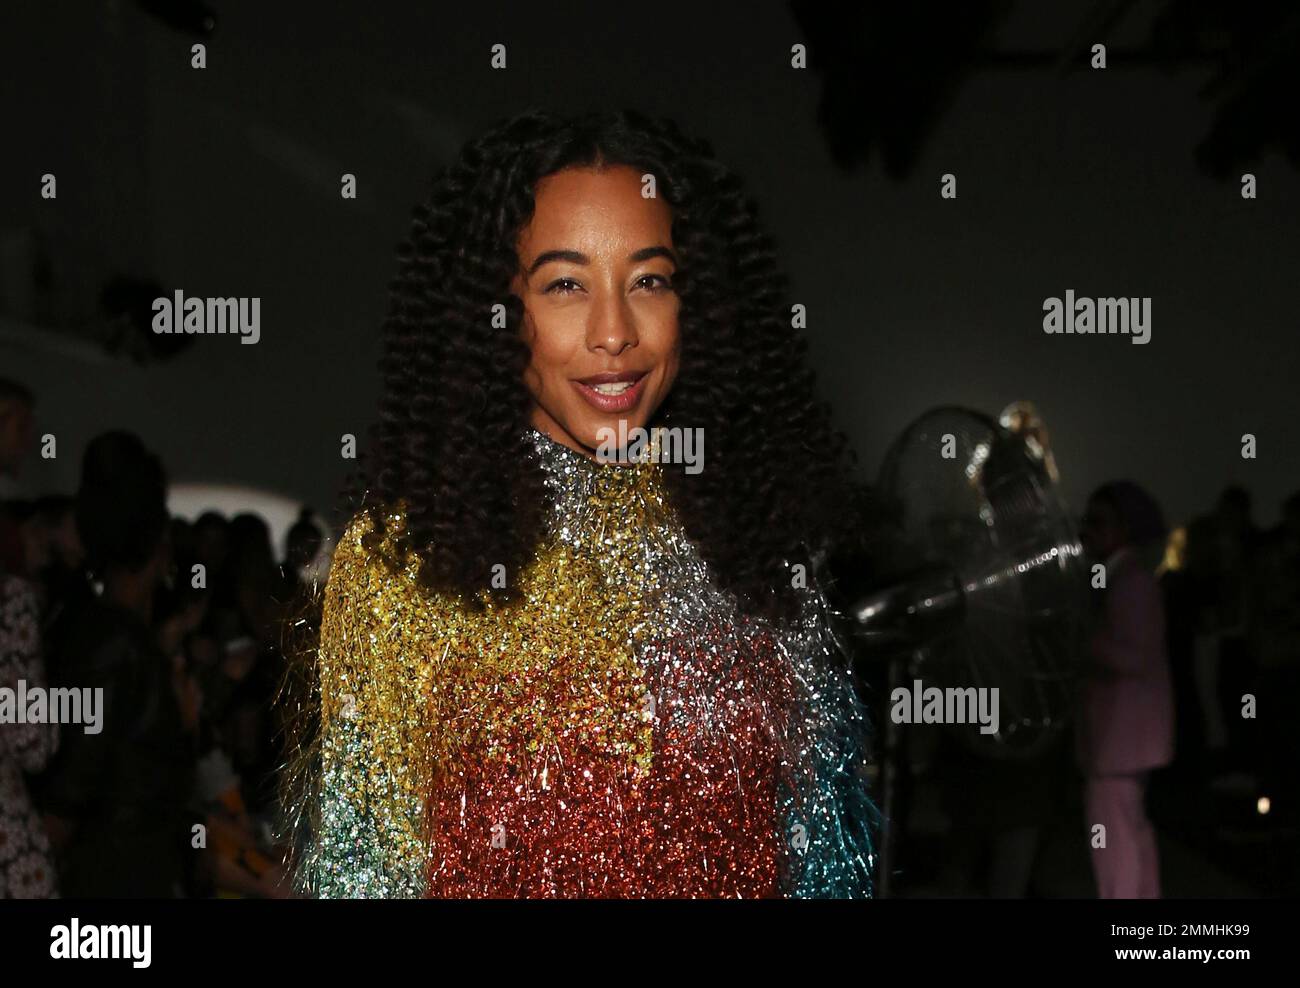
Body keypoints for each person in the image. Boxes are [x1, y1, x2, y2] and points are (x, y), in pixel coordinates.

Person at [287, 109, 878, 898]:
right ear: (495, 311)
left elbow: (820, 863)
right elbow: (366, 876)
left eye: (650, 281)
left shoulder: (759, 539)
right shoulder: (405, 561)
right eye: (565, 284)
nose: (614, 333)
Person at [1077, 480, 1174, 898]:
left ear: (1125, 528)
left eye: (1098, 522)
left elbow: (1135, 655)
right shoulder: (1125, 578)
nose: (1087, 531)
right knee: (1131, 838)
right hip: (1125, 742)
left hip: (1119, 741)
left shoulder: (1129, 581)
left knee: (1115, 845)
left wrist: (1081, 640)